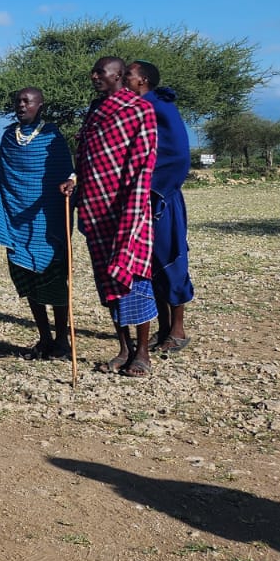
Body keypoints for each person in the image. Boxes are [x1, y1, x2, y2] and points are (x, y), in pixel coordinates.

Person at [63, 57, 158, 378]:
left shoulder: (138, 109)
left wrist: (133, 207)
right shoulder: (95, 111)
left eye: (100, 72)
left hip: (128, 207)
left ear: (118, 76)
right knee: (107, 280)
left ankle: (143, 352)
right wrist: (73, 183)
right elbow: (86, 159)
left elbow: (145, 160)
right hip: (94, 207)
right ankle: (124, 348)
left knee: (133, 274)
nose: (94, 76)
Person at [0, 89, 73, 361]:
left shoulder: (52, 135)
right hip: (15, 218)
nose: (21, 105)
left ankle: (62, 339)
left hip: (47, 219)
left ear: (40, 105)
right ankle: (44, 336)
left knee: (54, 279)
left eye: (27, 101)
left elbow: (67, 172)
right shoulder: (9, 136)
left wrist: (70, 185)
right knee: (26, 276)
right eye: (18, 101)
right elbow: (2, 176)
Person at [127, 60, 194, 353]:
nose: (123, 78)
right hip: (137, 199)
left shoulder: (160, 109)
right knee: (148, 263)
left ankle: (177, 330)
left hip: (160, 198)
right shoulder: (134, 108)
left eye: (127, 74)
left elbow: (177, 156)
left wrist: (153, 186)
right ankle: (163, 328)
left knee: (169, 259)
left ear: (143, 80)